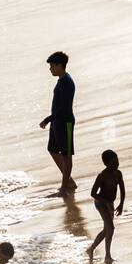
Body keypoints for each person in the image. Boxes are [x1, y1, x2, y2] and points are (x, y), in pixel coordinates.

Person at [38, 52, 77, 195]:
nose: (50, 69)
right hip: (57, 122)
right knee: (52, 149)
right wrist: (52, 120)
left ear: (60, 65)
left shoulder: (67, 82)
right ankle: (69, 181)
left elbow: (65, 108)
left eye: (52, 66)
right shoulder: (61, 80)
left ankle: (65, 187)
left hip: (65, 122)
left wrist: (47, 119)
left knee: (66, 155)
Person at [86, 150, 125, 263]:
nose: (116, 164)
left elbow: (122, 189)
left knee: (106, 230)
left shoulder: (118, 173)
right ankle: (107, 256)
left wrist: (121, 204)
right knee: (111, 228)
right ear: (106, 164)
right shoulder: (102, 176)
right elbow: (93, 193)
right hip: (101, 203)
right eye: (113, 163)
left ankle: (91, 249)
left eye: (117, 161)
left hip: (110, 203)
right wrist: (106, 202)